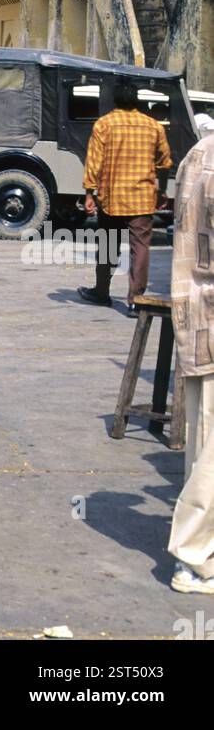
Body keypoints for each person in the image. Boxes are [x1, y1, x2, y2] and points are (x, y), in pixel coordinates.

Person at [78, 79, 172, 311]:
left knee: (108, 245)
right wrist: (161, 189)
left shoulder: (104, 124)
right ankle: (136, 301)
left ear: (115, 101)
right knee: (140, 248)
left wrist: (89, 192)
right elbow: (165, 162)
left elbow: (94, 163)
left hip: (112, 198)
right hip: (142, 198)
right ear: (137, 101)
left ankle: (101, 292)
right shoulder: (153, 126)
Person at [167, 131, 214, 594]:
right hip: (208, 314)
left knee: (203, 445)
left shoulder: (199, 150)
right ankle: (194, 559)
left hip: (197, 315)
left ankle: (197, 555)